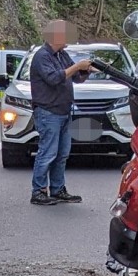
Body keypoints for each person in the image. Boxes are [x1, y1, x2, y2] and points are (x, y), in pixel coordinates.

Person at [30, 19, 93, 205]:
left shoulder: (61, 55)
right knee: (47, 153)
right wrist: (76, 67)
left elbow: (75, 78)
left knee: (62, 153)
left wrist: (86, 70)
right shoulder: (42, 56)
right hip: (48, 112)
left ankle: (57, 189)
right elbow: (54, 78)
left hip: (64, 111)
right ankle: (39, 191)